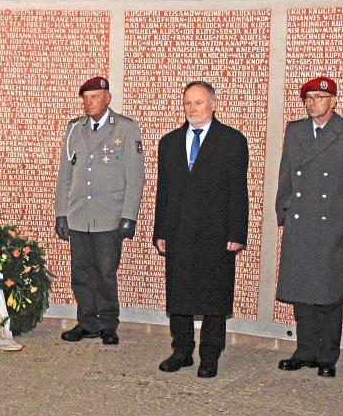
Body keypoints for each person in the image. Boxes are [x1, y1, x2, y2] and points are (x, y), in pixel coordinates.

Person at [275, 77, 343, 378]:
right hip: (301, 221)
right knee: (302, 292)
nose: (312, 103)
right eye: (308, 97)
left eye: (319, 97)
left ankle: (327, 355)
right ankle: (304, 351)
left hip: (334, 226)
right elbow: (286, 174)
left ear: (334, 101)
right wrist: (285, 209)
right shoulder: (295, 131)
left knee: (329, 295)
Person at [153, 81, 248, 378]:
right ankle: (181, 351)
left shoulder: (232, 140)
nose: (192, 109)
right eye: (187, 103)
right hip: (178, 231)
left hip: (217, 233)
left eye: (198, 102)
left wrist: (237, 233)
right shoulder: (168, 142)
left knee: (214, 296)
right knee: (179, 294)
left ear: (213, 104)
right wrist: (160, 231)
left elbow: (238, 191)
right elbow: (163, 192)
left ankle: (210, 356)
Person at [54, 76, 145, 345]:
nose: (89, 102)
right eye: (85, 97)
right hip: (79, 213)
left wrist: (129, 215)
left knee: (105, 271)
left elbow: (135, 175)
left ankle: (107, 323)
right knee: (81, 271)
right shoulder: (75, 129)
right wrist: (62, 212)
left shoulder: (126, 128)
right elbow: (65, 175)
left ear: (107, 98)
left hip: (109, 215)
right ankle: (86, 322)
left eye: (94, 97)